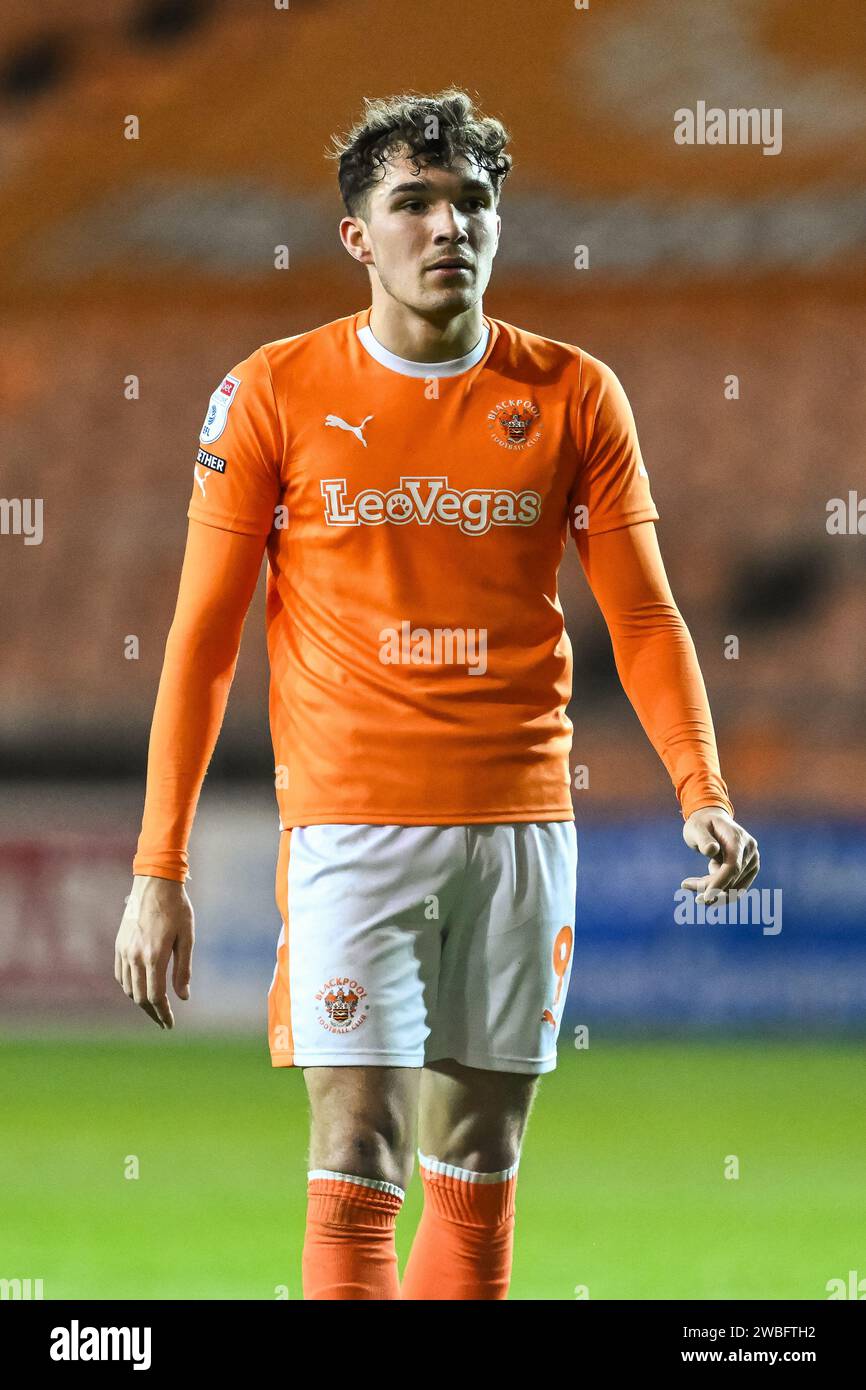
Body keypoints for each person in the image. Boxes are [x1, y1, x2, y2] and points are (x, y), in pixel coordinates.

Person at [115, 88, 760, 1300]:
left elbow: (642, 614)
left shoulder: (572, 393)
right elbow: (201, 639)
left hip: (522, 827)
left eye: (470, 201)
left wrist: (700, 787)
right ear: (357, 234)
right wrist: (160, 869)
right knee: (355, 1154)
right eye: (411, 202)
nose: (446, 225)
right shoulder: (270, 392)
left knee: (479, 1157)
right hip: (352, 830)